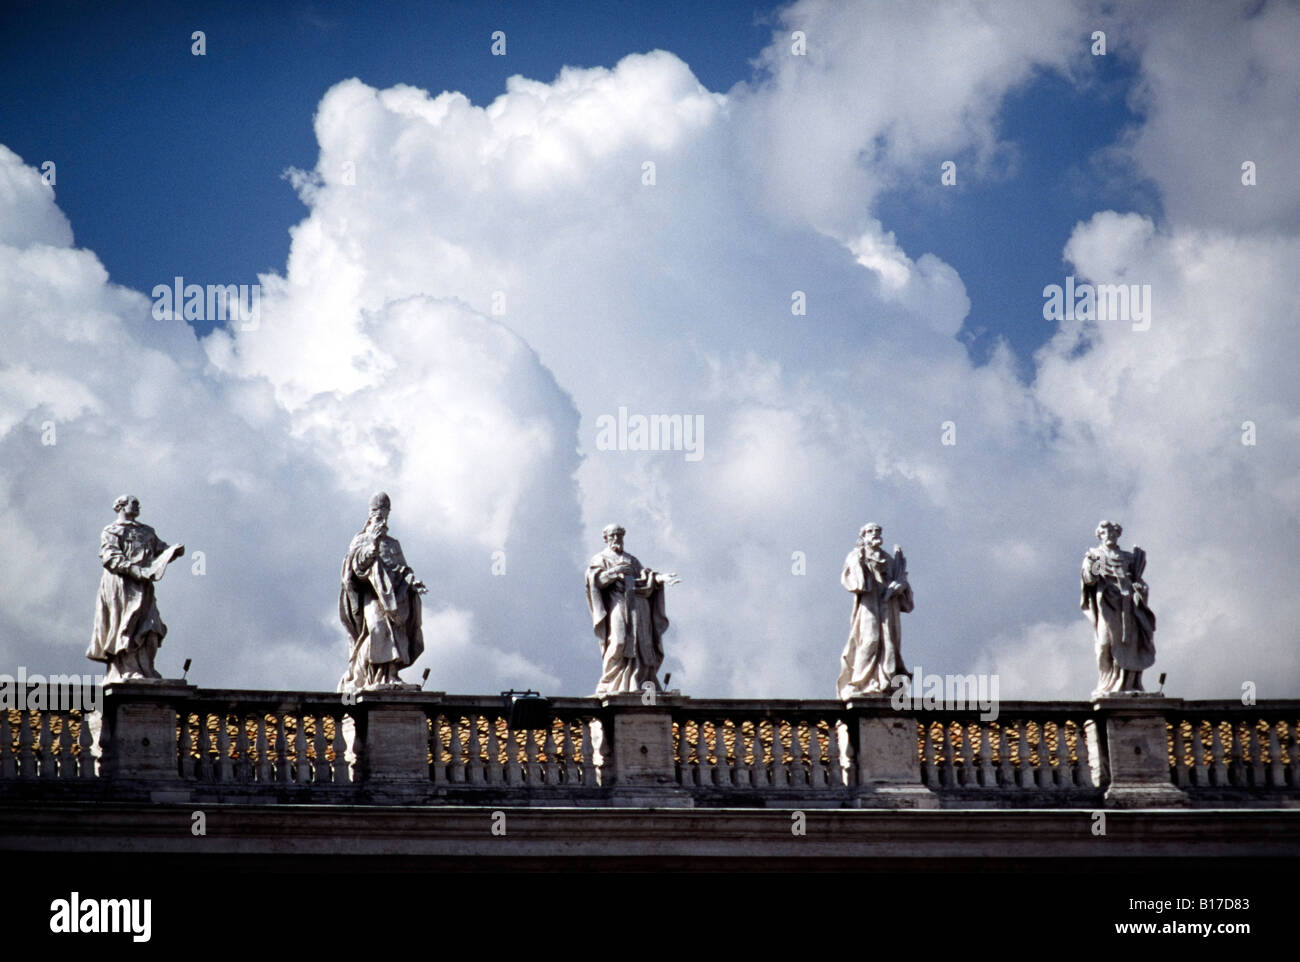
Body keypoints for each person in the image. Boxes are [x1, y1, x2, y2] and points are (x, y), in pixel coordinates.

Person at [87, 495, 185, 682]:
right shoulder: (111, 531)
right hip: (121, 585)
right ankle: (128, 669)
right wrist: (135, 570)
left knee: (151, 624)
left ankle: (146, 668)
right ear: (121, 507)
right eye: (134, 503)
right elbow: (110, 557)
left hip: (143, 585)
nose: (138, 506)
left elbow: (160, 548)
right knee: (126, 625)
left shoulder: (147, 531)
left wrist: (173, 551)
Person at [338, 492, 426, 692]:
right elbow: (357, 568)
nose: (382, 517)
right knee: (377, 629)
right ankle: (374, 676)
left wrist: (413, 581)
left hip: (397, 598)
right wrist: (373, 545)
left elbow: (402, 569)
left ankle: (391, 675)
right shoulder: (360, 540)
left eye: (385, 513)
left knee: (397, 634)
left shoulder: (394, 544)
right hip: (373, 598)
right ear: (371, 514)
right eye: (378, 512)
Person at [585, 524, 679, 696]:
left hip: (638, 604)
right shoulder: (600, 559)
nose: (616, 539)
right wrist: (615, 571)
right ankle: (611, 681)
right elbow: (596, 581)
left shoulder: (632, 560)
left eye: (620, 535)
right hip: (617, 602)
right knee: (619, 640)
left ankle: (639, 681)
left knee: (642, 642)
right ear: (605, 538)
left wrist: (660, 579)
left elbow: (645, 576)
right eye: (613, 535)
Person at [836, 523, 913, 699]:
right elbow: (853, 582)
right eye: (870, 531)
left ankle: (885, 682)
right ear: (863, 536)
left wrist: (899, 585)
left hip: (888, 605)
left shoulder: (889, 559)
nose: (875, 534)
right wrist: (859, 563)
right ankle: (860, 682)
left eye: (877, 531)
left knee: (888, 642)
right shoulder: (856, 555)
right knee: (870, 639)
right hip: (869, 604)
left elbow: (903, 587)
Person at [1081, 520, 1156, 696]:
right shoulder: (1095, 555)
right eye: (1106, 533)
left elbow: (1137, 581)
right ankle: (1107, 682)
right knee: (1104, 645)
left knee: (1129, 643)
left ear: (1118, 535)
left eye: (1113, 533)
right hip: (1107, 604)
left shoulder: (1129, 558)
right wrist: (1094, 564)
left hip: (1128, 605)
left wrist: (1140, 588)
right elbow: (1092, 579)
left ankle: (1127, 684)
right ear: (1100, 535)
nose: (1110, 536)